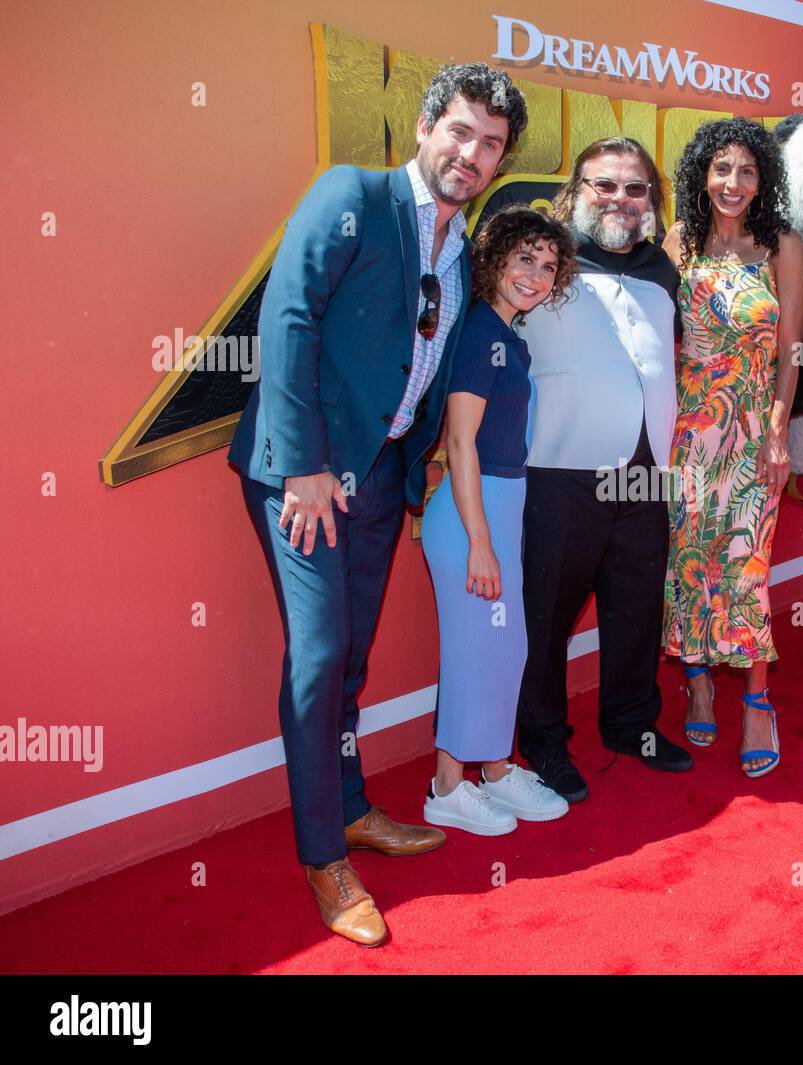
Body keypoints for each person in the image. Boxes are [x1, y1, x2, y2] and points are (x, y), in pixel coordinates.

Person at [227, 64, 527, 946]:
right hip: (307, 477)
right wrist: (306, 467)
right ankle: (324, 854)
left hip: (380, 481)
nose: (473, 154)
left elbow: (418, 363)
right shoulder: (349, 192)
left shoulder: (460, 248)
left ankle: (353, 806)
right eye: (463, 132)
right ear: (430, 124)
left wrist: (415, 465)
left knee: (351, 655)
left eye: (492, 145)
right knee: (320, 656)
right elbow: (289, 317)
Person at [513, 137, 693, 803]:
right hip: (559, 471)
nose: (620, 198)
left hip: (647, 473)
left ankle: (631, 726)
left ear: (651, 201)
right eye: (604, 185)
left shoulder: (661, 271)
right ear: (575, 191)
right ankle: (542, 740)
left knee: (637, 608)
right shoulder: (541, 261)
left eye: (635, 187)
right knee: (546, 618)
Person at [420, 207, 578, 833]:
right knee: (474, 650)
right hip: (470, 514)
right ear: (494, 260)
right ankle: (445, 788)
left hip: (499, 508)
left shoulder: (508, 335)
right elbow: (460, 443)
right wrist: (480, 544)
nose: (535, 276)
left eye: (547, 266)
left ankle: (493, 767)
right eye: (524, 260)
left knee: (504, 647)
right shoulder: (483, 333)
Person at [659, 118, 803, 778]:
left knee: (747, 570)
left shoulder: (781, 246)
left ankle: (757, 700)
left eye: (746, 170)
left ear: (762, 180)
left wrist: (778, 430)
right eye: (722, 168)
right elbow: (658, 346)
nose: (733, 182)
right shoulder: (679, 244)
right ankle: (695, 680)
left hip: (751, 440)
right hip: (689, 436)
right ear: (702, 174)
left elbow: (791, 351)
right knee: (689, 562)